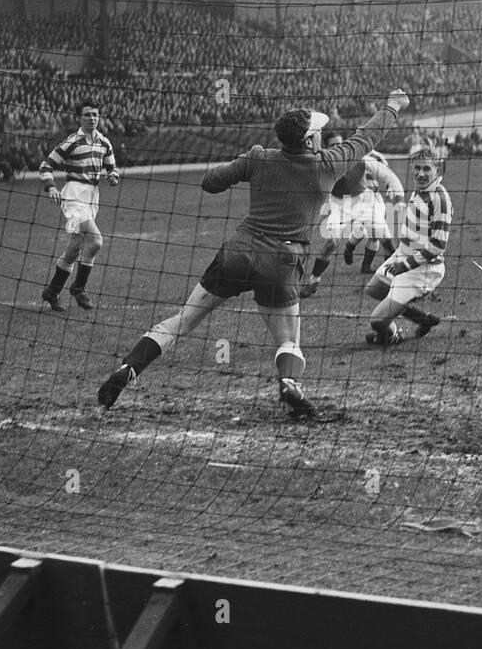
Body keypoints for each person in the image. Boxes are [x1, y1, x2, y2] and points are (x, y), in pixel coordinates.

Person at [97, 88, 411, 418]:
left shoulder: (260, 156)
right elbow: (368, 135)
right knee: (289, 341)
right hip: (281, 262)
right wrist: (393, 105)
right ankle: (289, 383)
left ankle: (128, 369)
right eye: (316, 132)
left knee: (182, 321)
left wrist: (246, 163)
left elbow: (210, 182)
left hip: (237, 252)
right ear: (307, 141)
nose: (320, 136)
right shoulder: (328, 165)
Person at [364, 147, 451, 346]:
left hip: (422, 269)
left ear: (438, 170)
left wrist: (405, 265)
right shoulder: (420, 189)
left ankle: (390, 336)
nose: (421, 173)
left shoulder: (440, 200)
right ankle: (423, 319)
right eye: (417, 168)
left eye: (427, 169)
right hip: (402, 256)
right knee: (374, 290)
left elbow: (438, 245)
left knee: (377, 321)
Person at [38, 101, 120, 312]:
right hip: (74, 194)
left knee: (74, 249)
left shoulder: (104, 142)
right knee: (96, 241)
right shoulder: (72, 142)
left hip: (92, 196)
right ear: (79, 118)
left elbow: (113, 168)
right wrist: (51, 188)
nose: (91, 118)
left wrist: (113, 177)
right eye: (87, 115)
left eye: (95, 115)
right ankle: (78, 288)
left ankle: (52, 291)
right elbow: (46, 165)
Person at [299, 139, 405, 297]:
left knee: (386, 241)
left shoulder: (361, 160)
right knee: (331, 242)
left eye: (340, 143)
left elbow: (388, 175)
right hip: (338, 205)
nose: (338, 147)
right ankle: (313, 282)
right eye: (333, 144)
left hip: (365, 202)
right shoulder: (322, 162)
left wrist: (399, 197)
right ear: (327, 146)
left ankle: (398, 282)